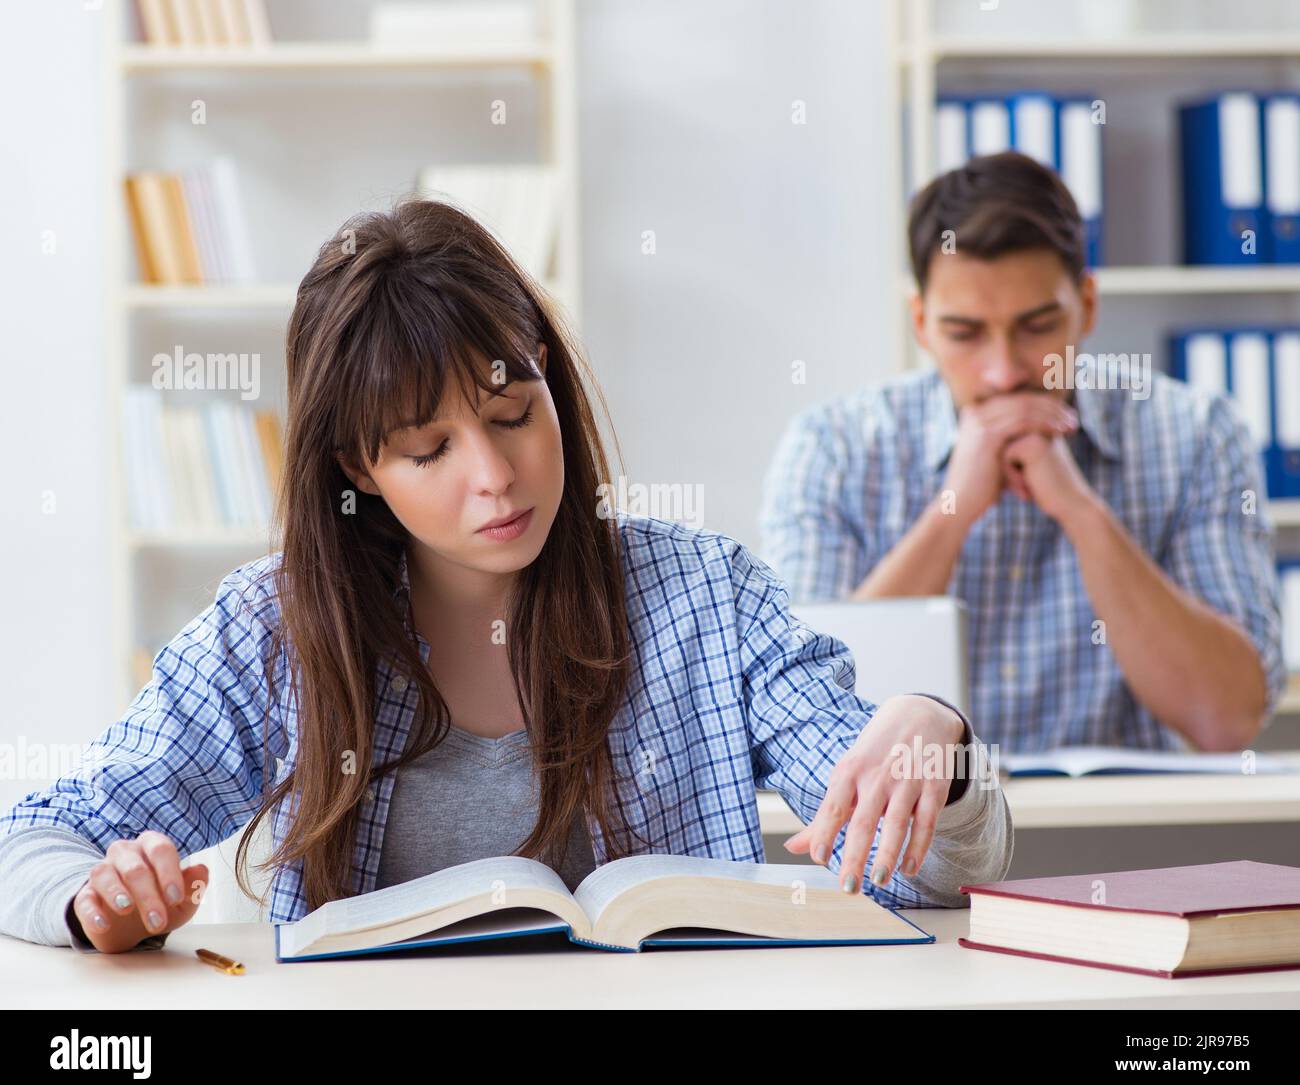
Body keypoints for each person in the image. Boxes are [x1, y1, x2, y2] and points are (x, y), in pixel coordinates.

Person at [0, 198, 1011, 954]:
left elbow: (934, 877)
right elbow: (30, 839)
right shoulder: (274, 631)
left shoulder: (707, 596)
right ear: (359, 468)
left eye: (511, 414)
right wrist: (95, 901)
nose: (494, 479)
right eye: (428, 450)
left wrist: (938, 737)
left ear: (543, 373)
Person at [760, 151, 1285, 756]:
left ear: (1086, 306)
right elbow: (804, 712)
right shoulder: (832, 447)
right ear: (922, 322)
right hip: (916, 842)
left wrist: (1083, 514)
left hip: (1130, 832)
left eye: (1036, 327)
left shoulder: (1197, 433)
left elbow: (1226, 721)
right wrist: (951, 513)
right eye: (965, 333)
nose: (1004, 372)